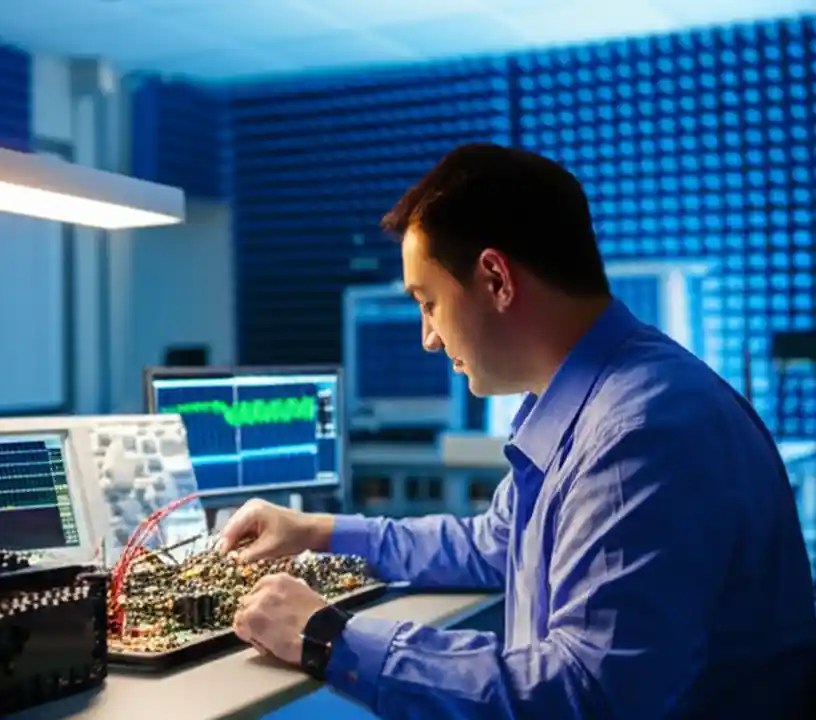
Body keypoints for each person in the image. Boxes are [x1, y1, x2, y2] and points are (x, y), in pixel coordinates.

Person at [223, 143, 816, 718]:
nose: (428, 337)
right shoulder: (589, 403)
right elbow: (494, 543)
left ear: (496, 280)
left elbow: (583, 694)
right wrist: (318, 530)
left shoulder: (635, 434)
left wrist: (330, 637)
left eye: (428, 303)